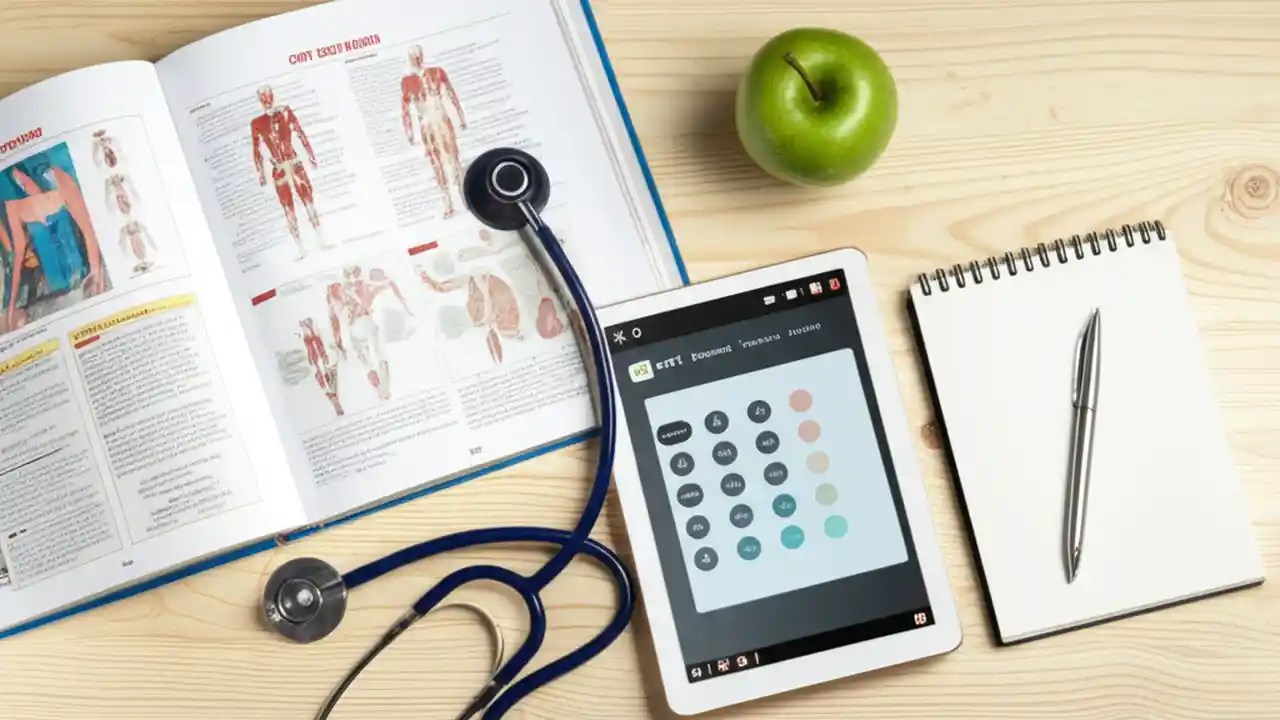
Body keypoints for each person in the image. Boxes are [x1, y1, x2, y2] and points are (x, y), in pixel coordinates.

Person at [251, 84, 327, 259]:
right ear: (259, 100)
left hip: (293, 163)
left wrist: (311, 155)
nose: (267, 100)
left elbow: (300, 133)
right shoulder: (257, 123)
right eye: (262, 97)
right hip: (279, 169)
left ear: (273, 95)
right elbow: (256, 149)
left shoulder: (285, 111)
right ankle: (301, 247)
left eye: (268, 95)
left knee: (308, 201)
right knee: (288, 208)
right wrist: (261, 173)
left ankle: (320, 238)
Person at [400, 45, 467, 218]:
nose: (417, 59)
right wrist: (409, 133)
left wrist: (461, 118)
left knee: (452, 158)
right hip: (430, 123)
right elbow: (405, 110)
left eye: (417, 56)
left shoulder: (435, 73)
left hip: (437, 120)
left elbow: (452, 94)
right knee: (439, 161)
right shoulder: (409, 81)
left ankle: (459, 198)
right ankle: (450, 203)